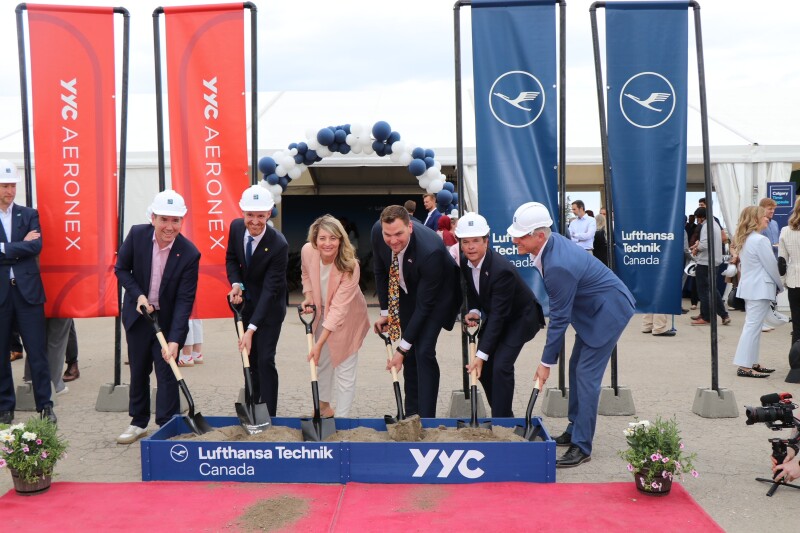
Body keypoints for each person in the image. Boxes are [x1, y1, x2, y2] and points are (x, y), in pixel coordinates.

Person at [508, 201, 635, 468]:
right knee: (577, 367)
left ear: (539, 236)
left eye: (520, 235)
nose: (514, 239)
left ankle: (581, 446)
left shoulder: (558, 266)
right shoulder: (549, 246)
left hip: (608, 313)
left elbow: (560, 319)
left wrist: (545, 364)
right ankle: (575, 428)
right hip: (595, 310)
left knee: (586, 376)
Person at [114, 190, 200, 443]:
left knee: (167, 374)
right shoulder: (137, 235)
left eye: (175, 220)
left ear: (182, 221)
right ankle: (138, 423)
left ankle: (166, 424)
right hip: (139, 316)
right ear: (153, 218)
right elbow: (121, 268)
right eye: (164, 219)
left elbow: (185, 300)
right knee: (139, 371)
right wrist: (138, 295)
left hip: (167, 319)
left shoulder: (189, 253)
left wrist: (175, 339)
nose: (169, 227)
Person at [371, 205, 461, 418]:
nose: (393, 240)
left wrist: (400, 351)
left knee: (423, 351)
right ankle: (411, 415)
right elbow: (380, 270)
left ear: (410, 227)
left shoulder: (431, 250)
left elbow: (425, 306)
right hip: (408, 290)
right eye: (388, 235)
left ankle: (427, 418)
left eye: (399, 234)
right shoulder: (378, 231)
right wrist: (386, 312)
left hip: (439, 296)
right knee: (410, 353)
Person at [457, 212, 544, 417]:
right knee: (485, 370)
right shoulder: (465, 261)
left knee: (501, 366)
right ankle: (503, 414)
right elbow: (473, 289)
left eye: (476, 241)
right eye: (466, 241)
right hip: (500, 315)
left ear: (486, 241)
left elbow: (498, 317)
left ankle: (502, 423)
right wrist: (474, 311)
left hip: (521, 318)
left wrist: (480, 355)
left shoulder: (500, 270)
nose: (470, 246)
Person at [0, 159, 56, 425]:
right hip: (2, 295)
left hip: (29, 293)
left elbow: (36, 247)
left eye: (12, 185)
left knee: (37, 351)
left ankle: (45, 405)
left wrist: (3, 249)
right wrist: (18, 247)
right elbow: (26, 248)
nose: (9, 191)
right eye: (4, 185)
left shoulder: (28, 214)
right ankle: (5, 406)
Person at [226, 185, 288, 417]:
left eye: (260, 215)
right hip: (244, 304)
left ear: (270, 212)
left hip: (270, 308)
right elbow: (232, 259)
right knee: (248, 359)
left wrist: (251, 330)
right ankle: (252, 406)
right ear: (242, 212)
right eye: (250, 215)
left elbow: (271, 289)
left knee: (264, 359)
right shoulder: (234, 228)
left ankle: (268, 414)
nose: (254, 221)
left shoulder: (278, 244)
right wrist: (236, 285)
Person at [300, 215, 370, 417]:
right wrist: (309, 296)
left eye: (333, 238)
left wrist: (319, 343)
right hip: (321, 312)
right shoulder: (307, 251)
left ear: (341, 239)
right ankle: (324, 408)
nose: (327, 243)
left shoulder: (350, 265)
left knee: (344, 367)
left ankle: (342, 421)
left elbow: (339, 309)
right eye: (322, 238)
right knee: (322, 363)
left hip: (348, 318)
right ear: (315, 239)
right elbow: (306, 273)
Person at [731, 206, 782, 378]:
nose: (767, 218)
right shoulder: (760, 240)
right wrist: (780, 285)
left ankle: (751, 363)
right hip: (760, 288)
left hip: (752, 287)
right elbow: (771, 266)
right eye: (764, 216)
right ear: (755, 219)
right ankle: (745, 366)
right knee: (752, 327)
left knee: (753, 326)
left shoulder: (747, 239)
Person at [690, 207, 731, 326]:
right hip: (715, 261)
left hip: (705, 262)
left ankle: (707, 317)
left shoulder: (706, 226)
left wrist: (696, 249)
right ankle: (723, 314)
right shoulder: (716, 224)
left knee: (703, 291)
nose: (698, 221)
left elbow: (704, 244)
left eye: (698, 219)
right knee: (712, 290)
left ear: (701, 217)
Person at [779, 197, 800, 344]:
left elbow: (782, 262)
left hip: (794, 281)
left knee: (797, 325)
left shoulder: (785, 231)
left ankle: (796, 364)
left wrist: (783, 281)